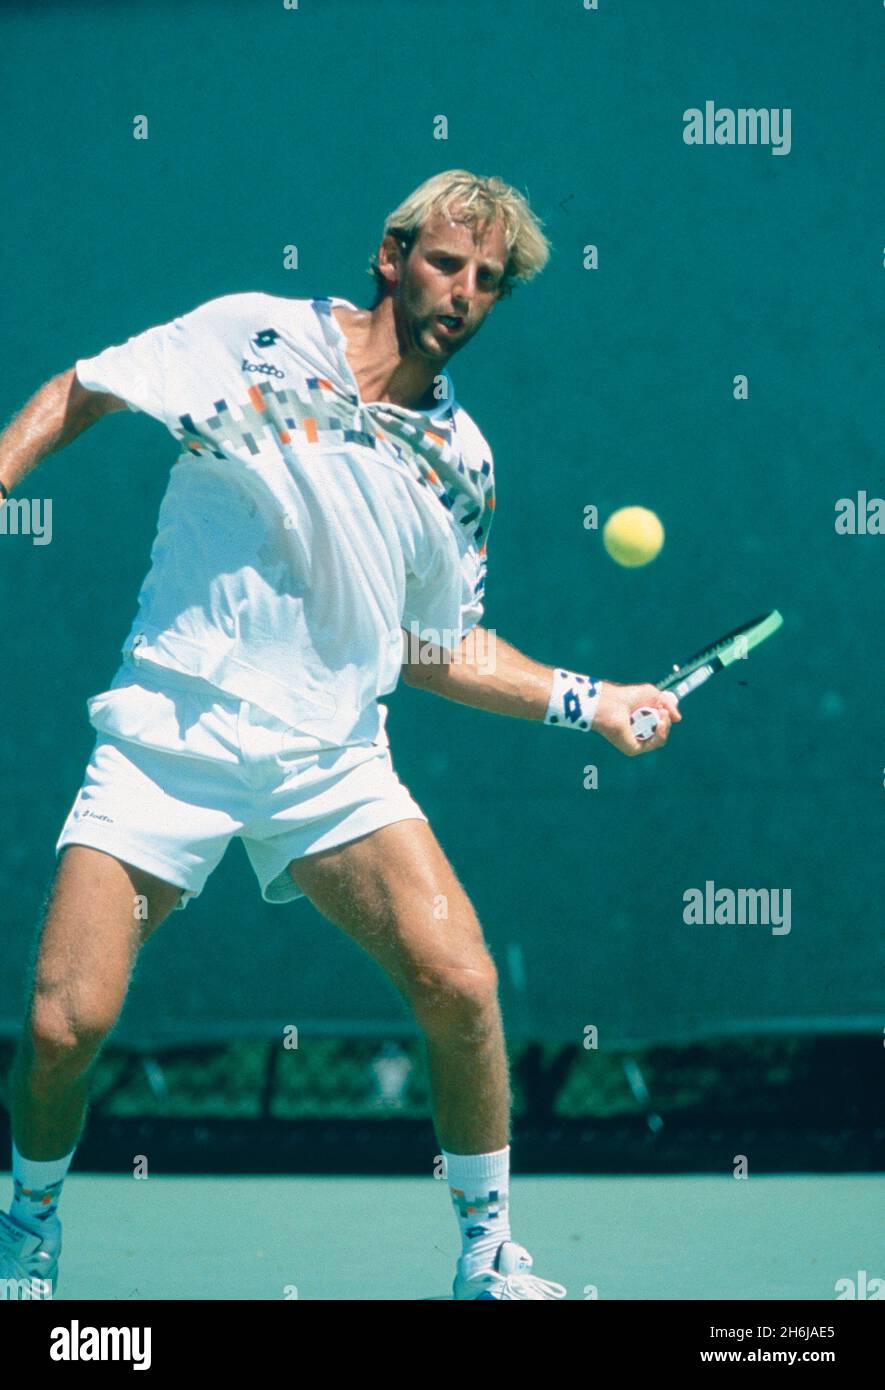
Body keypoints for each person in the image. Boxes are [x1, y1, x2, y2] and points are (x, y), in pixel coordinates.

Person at [0, 169, 679, 1301]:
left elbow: (441, 647)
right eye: (449, 263)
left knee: (460, 979)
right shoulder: (248, 336)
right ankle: (31, 1222)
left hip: (330, 762)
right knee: (67, 1023)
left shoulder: (462, 466)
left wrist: (592, 696)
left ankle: (484, 1253)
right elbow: (88, 387)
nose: (465, 293)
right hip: (171, 730)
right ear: (391, 255)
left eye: (490, 281)